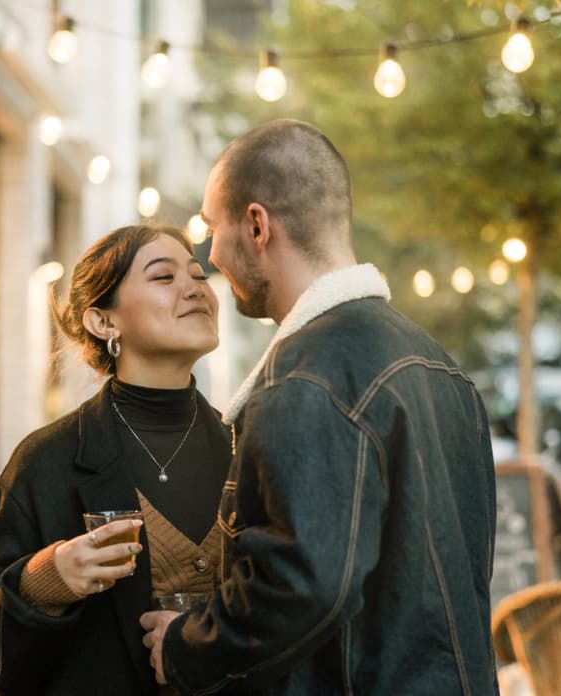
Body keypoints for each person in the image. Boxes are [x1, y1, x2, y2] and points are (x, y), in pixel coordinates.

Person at [141, 119, 500, 694]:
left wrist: (187, 646)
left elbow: (303, 583)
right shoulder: (443, 369)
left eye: (212, 229)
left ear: (257, 225)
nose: (210, 255)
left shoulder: (305, 377)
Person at [0, 224, 231, 694]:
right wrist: (48, 581)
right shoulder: (46, 461)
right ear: (104, 322)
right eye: (164, 278)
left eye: (199, 275)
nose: (195, 289)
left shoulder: (245, 448)